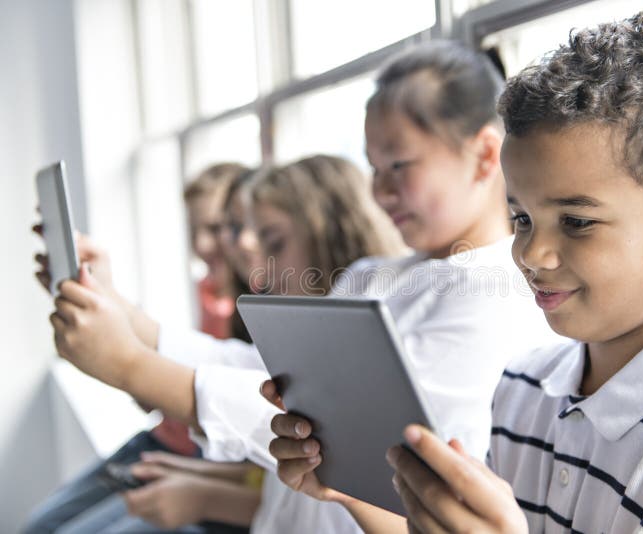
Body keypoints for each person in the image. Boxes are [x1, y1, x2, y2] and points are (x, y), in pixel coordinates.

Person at [376, 11, 643, 533]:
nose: (533, 253)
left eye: (576, 221)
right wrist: (347, 483)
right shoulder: (523, 386)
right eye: (522, 218)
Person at [258, 42, 566, 533]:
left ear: (485, 156)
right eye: (373, 169)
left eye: (398, 166)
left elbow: (386, 461)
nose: (380, 192)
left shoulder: (495, 293)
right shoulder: (369, 273)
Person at [25, 163, 256, 533]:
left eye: (218, 228)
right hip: (160, 446)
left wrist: (126, 364)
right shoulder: (211, 296)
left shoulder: (252, 318)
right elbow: (155, 394)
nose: (202, 245)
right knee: (39, 525)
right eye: (195, 230)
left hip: (201, 468)